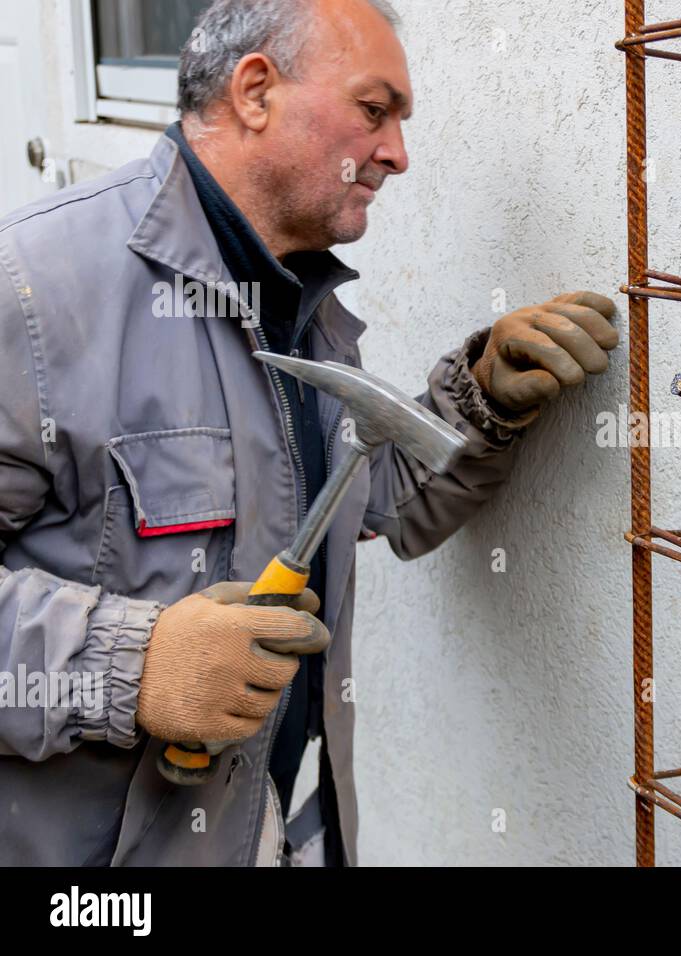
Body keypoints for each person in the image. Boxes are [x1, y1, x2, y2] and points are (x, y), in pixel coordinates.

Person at [0, 0, 618, 866]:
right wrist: (136, 666)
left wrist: (480, 401)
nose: (399, 153)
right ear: (256, 91)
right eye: (376, 110)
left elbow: (375, 507)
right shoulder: (33, 292)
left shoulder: (298, 307)